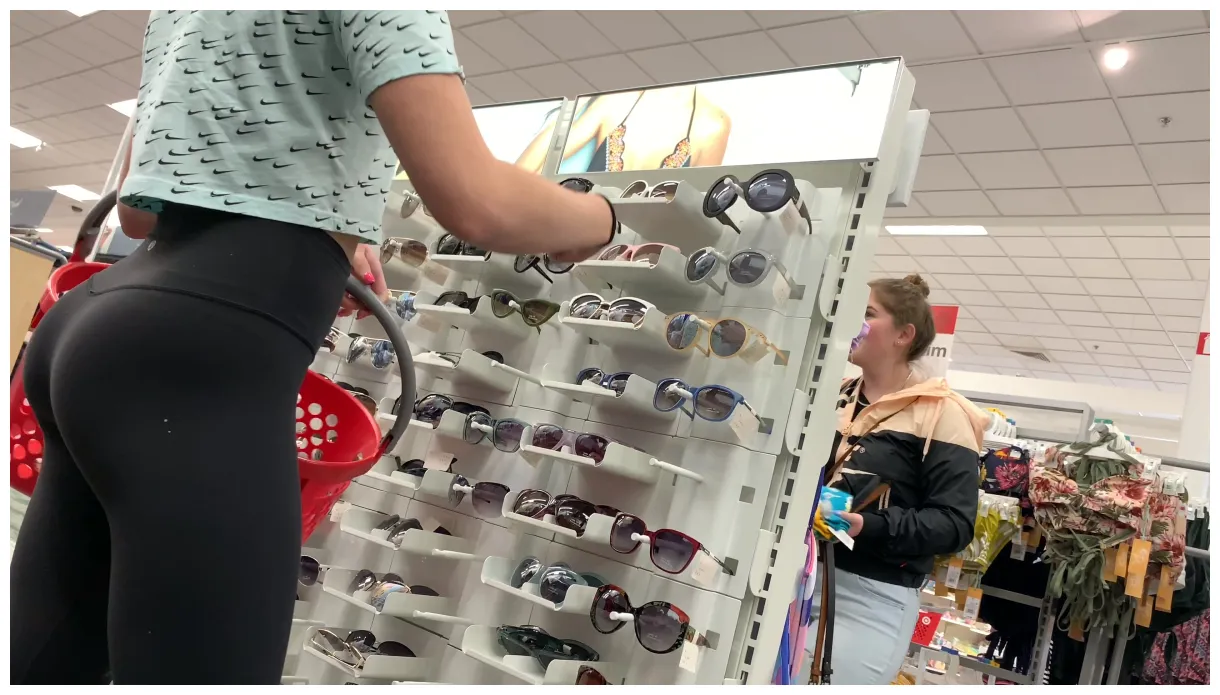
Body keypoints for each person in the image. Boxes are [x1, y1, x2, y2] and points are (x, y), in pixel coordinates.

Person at [10, 10, 617, 685]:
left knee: (46, 662)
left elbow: (140, 209)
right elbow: (477, 200)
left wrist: (323, 224)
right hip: (201, 358)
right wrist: (600, 219)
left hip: (108, 322)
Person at [801, 274, 988, 685]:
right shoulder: (834, 397)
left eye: (868, 314)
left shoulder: (943, 414)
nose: (855, 322)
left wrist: (868, 525)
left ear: (904, 334)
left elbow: (954, 524)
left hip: (870, 598)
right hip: (798, 576)